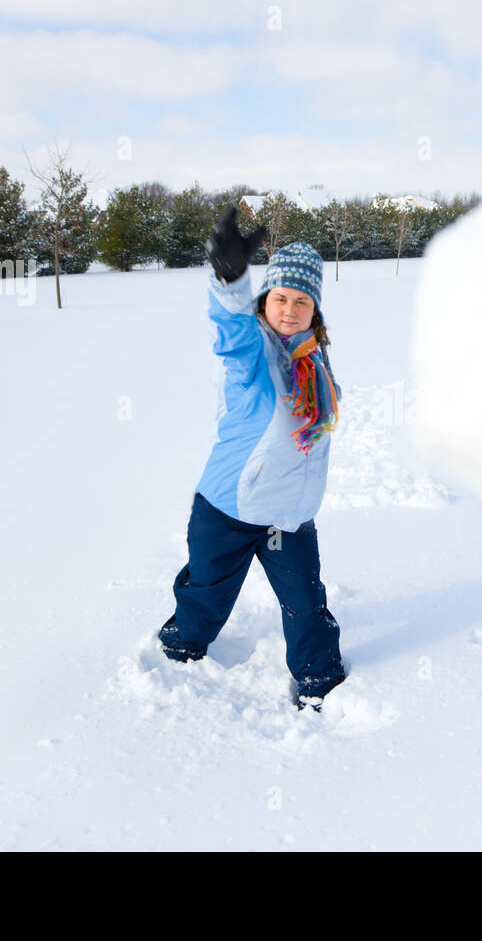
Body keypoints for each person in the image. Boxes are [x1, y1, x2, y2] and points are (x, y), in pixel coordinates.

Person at [158, 207, 345, 711]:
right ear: (265, 301)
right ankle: (179, 651)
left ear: (315, 311)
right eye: (280, 297)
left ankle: (318, 680)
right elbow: (232, 331)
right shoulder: (253, 353)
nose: (289, 309)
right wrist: (230, 280)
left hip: (287, 515)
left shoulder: (314, 361)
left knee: (307, 604)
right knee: (207, 594)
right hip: (228, 509)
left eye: (301, 301)